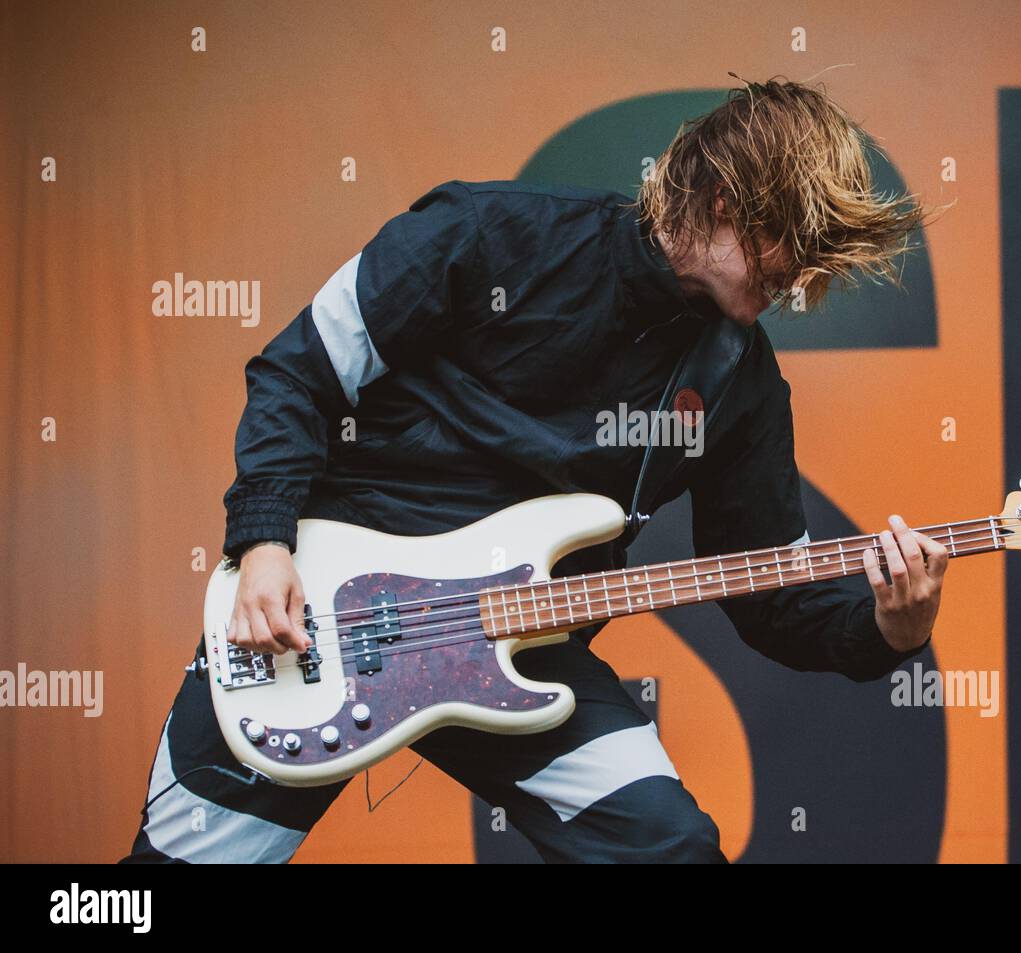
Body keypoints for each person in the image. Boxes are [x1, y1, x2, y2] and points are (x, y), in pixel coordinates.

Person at [121, 76, 947, 864]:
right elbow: (296, 373)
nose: (799, 276)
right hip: (322, 617)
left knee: (671, 847)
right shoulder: (484, 232)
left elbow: (773, 597)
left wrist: (890, 629)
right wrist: (264, 542)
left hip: (521, 645)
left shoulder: (742, 382)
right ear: (728, 200)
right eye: (789, 244)